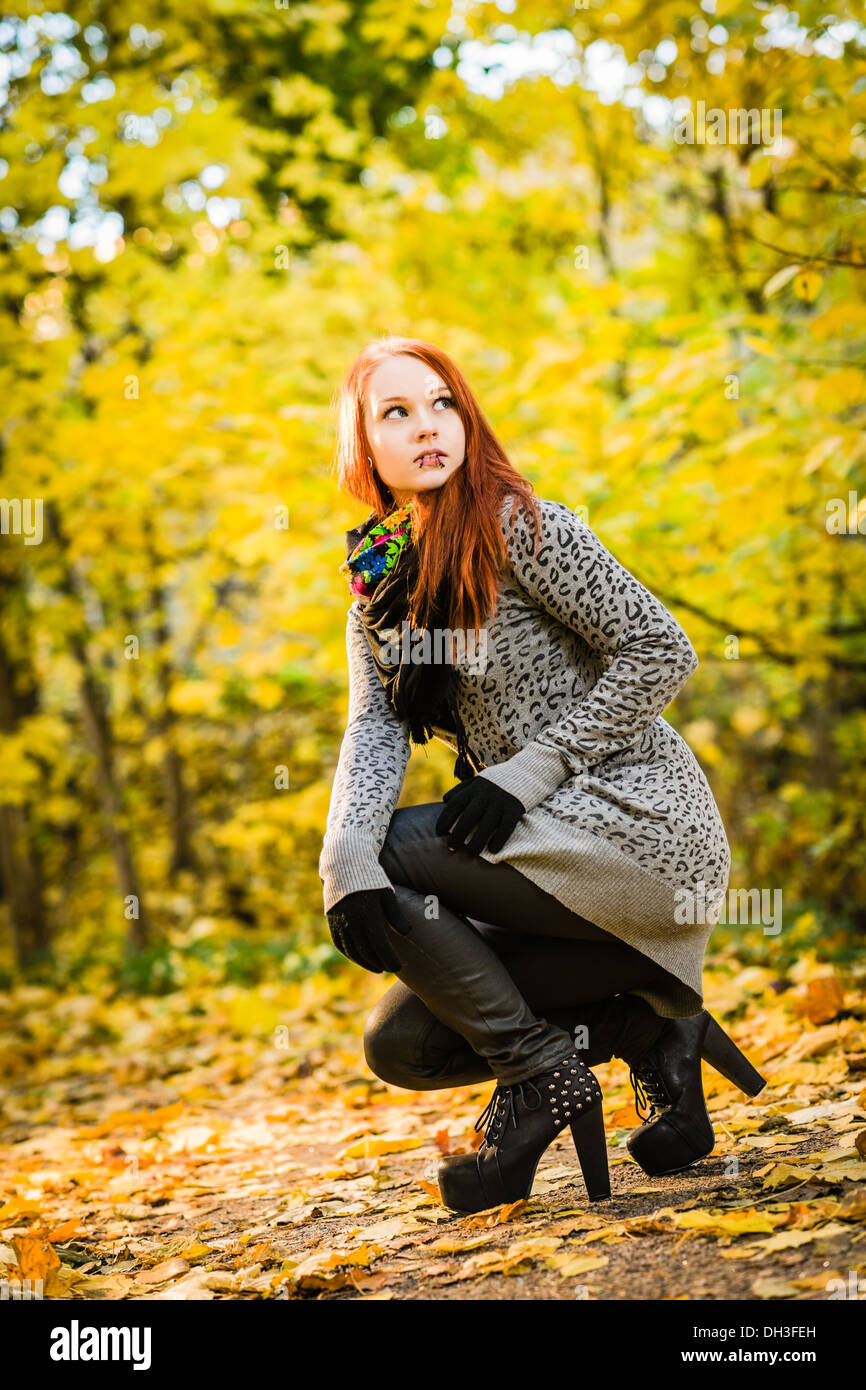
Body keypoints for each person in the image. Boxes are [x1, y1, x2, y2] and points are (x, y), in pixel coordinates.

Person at [319, 335, 765, 1216]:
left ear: (467, 416)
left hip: (639, 831)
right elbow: (374, 729)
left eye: (442, 402)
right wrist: (343, 862)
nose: (426, 426)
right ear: (363, 445)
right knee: (402, 1042)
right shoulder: (379, 587)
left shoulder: (525, 527)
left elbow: (660, 649)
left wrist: (531, 770)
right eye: (396, 413)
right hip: (536, 864)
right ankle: (645, 1028)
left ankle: (538, 1085)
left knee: (407, 845)